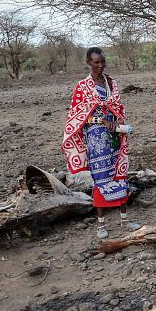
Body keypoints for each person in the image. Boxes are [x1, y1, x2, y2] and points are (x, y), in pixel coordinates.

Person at [61, 47, 140, 239]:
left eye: (102, 61)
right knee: (101, 178)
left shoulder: (111, 82)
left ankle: (124, 220)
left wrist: (116, 124)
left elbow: (118, 108)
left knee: (120, 175)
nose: (100, 65)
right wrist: (102, 122)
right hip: (96, 140)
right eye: (96, 62)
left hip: (115, 136)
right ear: (88, 62)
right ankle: (101, 225)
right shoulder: (83, 87)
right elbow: (78, 117)